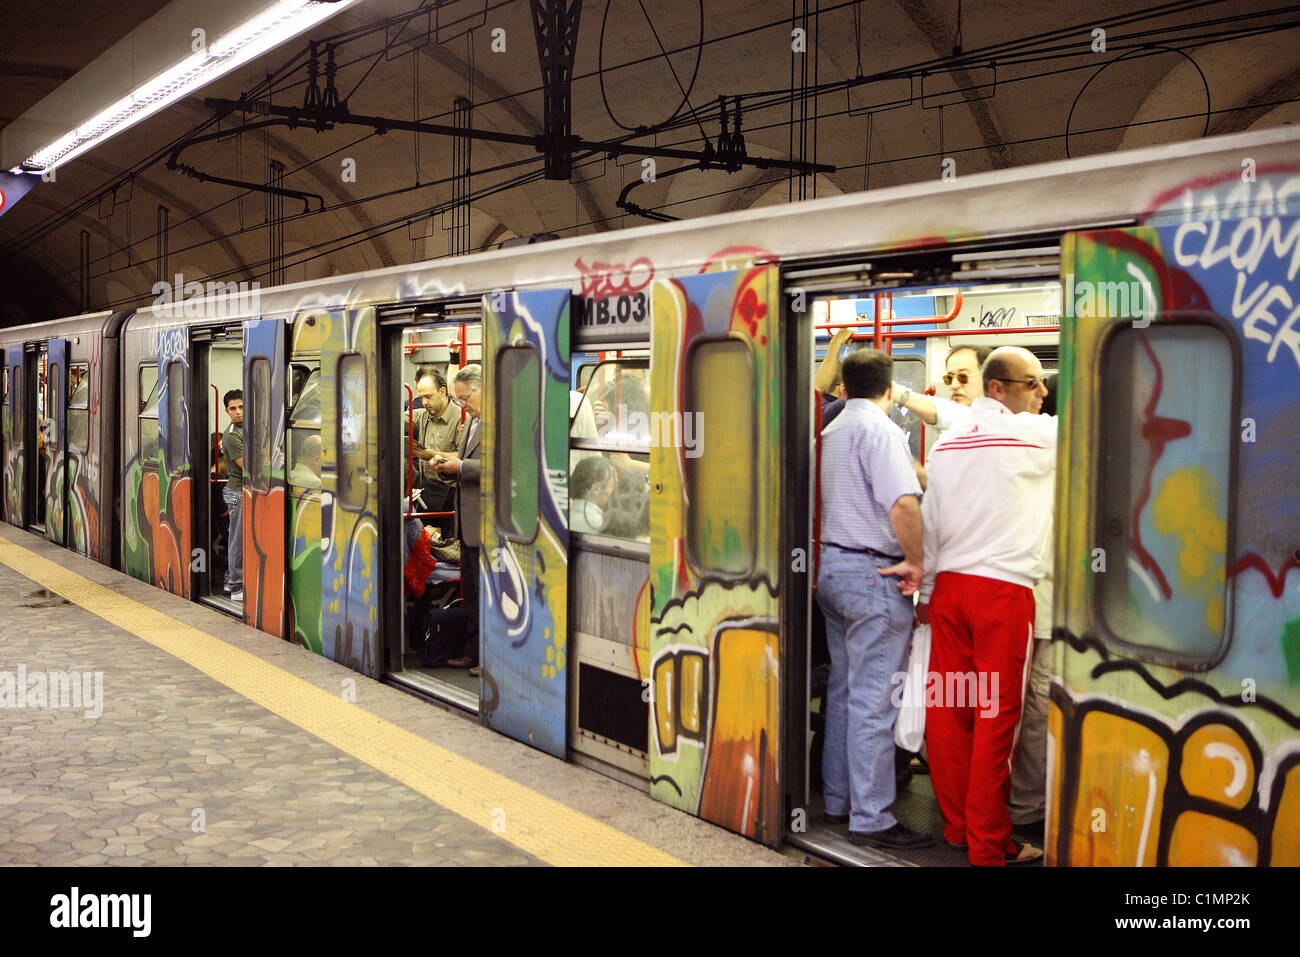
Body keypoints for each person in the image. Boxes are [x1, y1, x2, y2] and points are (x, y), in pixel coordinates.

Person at [917, 346, 1056, 867]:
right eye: (1033, 383)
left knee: (950, 713)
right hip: (1002, 596)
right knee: (996, 721)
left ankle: (956, 827)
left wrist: (927, 594)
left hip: (949, 592)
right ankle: (988, 844)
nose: (1043, 392)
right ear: (998, 387)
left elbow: (930, 523)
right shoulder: (1036, 436)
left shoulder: (948, 444)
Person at [816, 348, 931, 851]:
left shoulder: (832, 429)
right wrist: (916, 561)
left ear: (844, 386)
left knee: (843, 692)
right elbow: (904, 503)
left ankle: (838, 800)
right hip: (872, 574)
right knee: (872, 700)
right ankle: (872, 817)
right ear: (890, 388)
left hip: (831, 570)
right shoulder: (881, 431)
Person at [1008, 373, 1058, 835]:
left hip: (1029, 597)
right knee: (1036, 705)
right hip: (1044, 603)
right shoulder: (1056, 448)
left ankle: (1018, 799)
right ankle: (1024, 806)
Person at [432, 364, 483, 674]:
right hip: (466, 525)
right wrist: (449, 467)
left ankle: (487, 657)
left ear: (482, 389)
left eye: (465, 398)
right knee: (473, 593)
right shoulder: (472, 423)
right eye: (459, 399)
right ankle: (473, 651)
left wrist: (461, 467)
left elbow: (500, 467)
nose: (462, 405)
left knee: (486, 594)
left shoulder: (498, 422)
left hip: (485, 526)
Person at [406, 368, 461, 536]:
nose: (424, 402)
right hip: (427, 491)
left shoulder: (460, 418)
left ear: (442, 391)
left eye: (428, 397)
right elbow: (399, 419)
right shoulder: (423, 415)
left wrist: (432, 454)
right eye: (421, 397)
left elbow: (463, 456)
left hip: (450, 493)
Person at [220, 390, 245, 603]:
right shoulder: (231, 436)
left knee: (238, 536)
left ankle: (231, 578)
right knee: (238, 539)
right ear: (226, 411)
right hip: (237, 491)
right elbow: (248, 466)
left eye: (241, 407)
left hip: (243, 490)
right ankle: (236, 587)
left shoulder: (246, 428)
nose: (238, 412)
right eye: (233, 409)